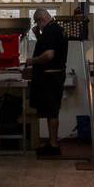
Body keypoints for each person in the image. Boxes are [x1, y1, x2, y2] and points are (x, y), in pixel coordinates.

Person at [27, 8, 68, 157]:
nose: (38, 26)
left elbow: (49, 55)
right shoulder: (57, 30)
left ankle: (53, 145)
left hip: (50, 78)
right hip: (54, 76)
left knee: (51, 111)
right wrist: (39, 35)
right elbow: (50, 47)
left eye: (38, 23)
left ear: (41, 20)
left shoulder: (51, 31)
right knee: (52, 111)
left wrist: (32, 61)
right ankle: (52, 142)